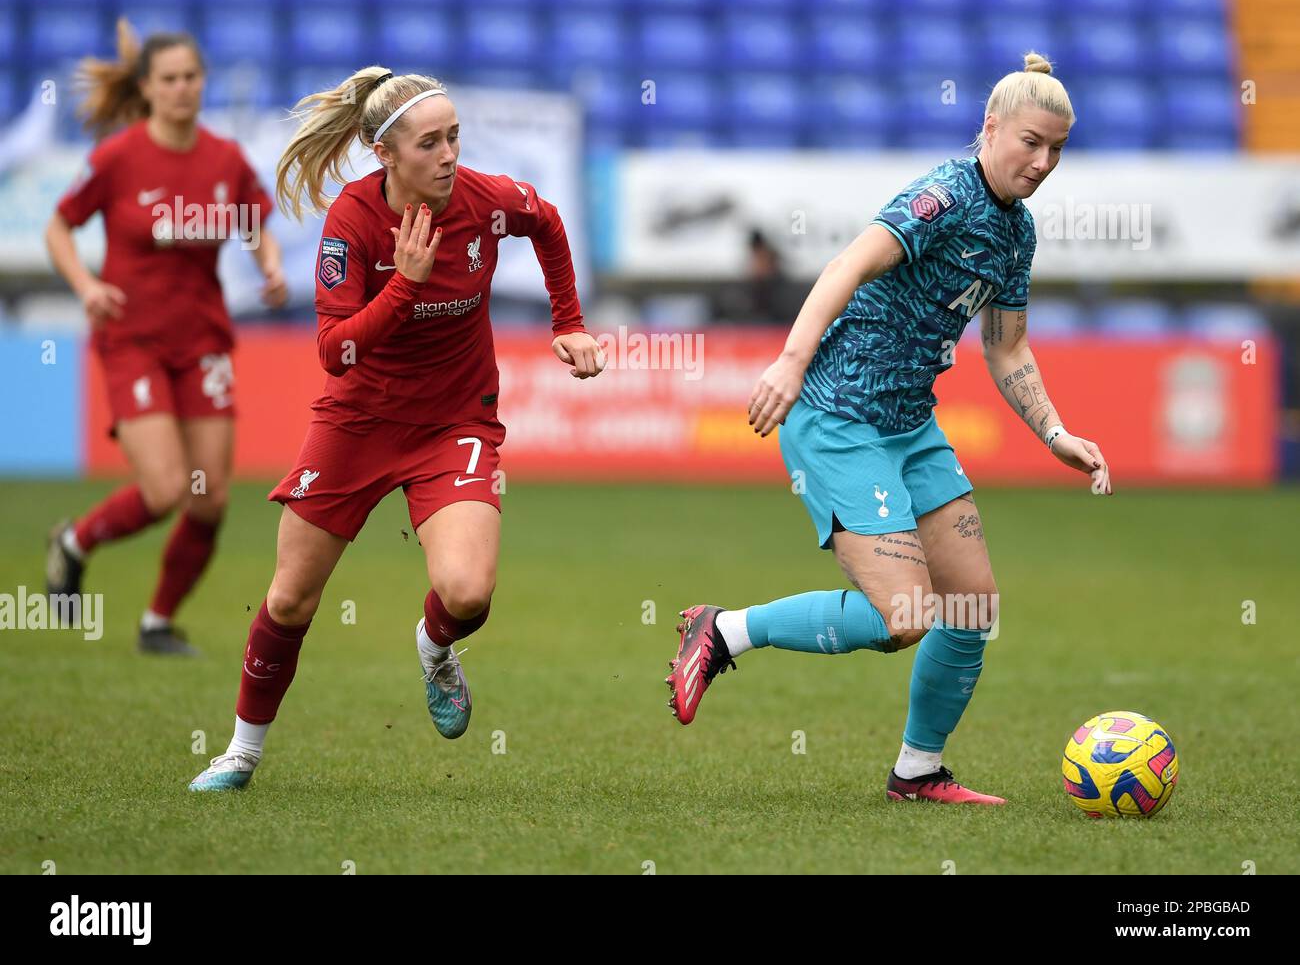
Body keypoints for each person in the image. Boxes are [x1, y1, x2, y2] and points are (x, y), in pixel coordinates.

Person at [665, 53, 1112, 804]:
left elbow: (1006, 347)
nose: (1043, 163)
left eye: (1057, 150)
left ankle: (917, 772)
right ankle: (724, 629)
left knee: (970, 608)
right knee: (903, 618)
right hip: (839, 417)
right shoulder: (942, 196)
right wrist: (790, 361)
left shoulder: (1017, 235)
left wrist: (1054, 431)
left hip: (910, 427)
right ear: (991, 127)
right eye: (1031, 142)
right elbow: (847, 263)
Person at [189, 67, 603, 790]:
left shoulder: (485, 199)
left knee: (468, 591)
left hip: (455, 421)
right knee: (289, 598)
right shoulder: (350, 222)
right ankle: (241, 753)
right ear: (386, 154)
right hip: (358, 423)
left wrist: (567, 321)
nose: (449, 156)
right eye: (430, 143)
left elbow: (547, 222)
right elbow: (334, 349)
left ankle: (435, 647)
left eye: (454, 138)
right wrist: (406, 283)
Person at [45, 19, 288, 654]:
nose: (183, 89)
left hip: (202, 343)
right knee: (166, 490)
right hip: (133, 343)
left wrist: (270, 266)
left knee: (208, 502)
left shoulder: (224, 160)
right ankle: (75, 541)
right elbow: (58, 228)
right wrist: (86, 287)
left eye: (192, 77)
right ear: (148, 88)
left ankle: (157, 622)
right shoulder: (117, 158)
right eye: (170, 79)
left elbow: (255, 222)